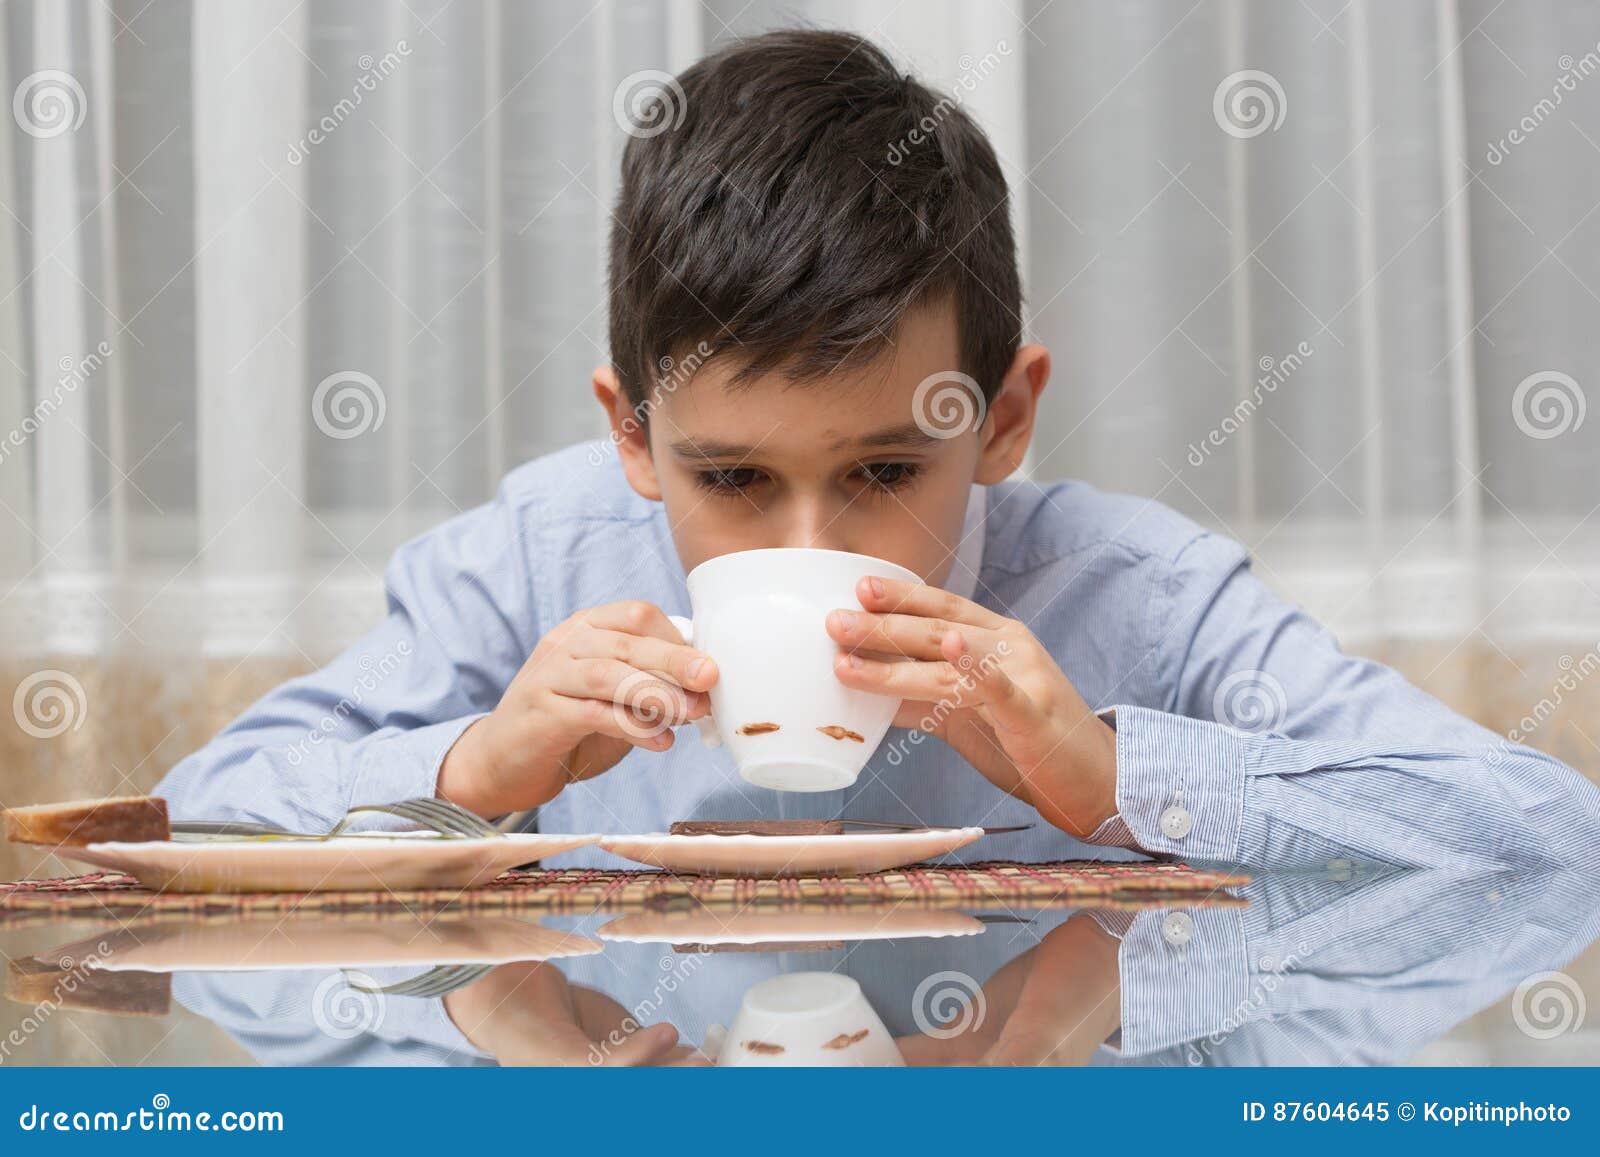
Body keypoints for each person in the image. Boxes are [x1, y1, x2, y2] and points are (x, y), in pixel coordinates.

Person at [157, 29, 1600, 873]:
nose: (811, 556)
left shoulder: (1132, 593)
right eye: (730, 477)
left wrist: (1109, 775)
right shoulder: (534, 560)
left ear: (1006, 417)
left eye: (886, 472)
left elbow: (1540, 827)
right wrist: (473, 769)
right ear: (631, 434)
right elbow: (196, 813)